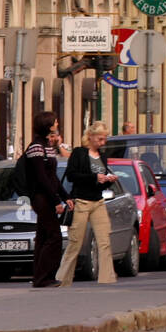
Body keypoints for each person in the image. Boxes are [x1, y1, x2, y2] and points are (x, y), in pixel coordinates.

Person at [56, 121, 116, 286]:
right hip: (81, 201)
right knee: (76, 242)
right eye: (100, 139)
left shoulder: (102, 156)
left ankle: (107, 279)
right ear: (90, 137)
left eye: (104, 140)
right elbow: (71, 175)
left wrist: (108, 181)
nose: (103, 143)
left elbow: (100, 181)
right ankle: (62, 279)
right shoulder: (79, 153)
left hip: (98, 201)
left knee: (104, 240)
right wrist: (94, 177)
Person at [26, 111, 70, 287]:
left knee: (43, 237)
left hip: (47, 196)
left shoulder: (47, 146)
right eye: (55, 122)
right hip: (41, 197)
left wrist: (66, 196)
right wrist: (55, 200)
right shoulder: (36, 147)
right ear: (48, 125)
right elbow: (41, 177)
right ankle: (44, 276)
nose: (57, 124)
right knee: (54, 236)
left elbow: (53, 177)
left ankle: (40, 277)